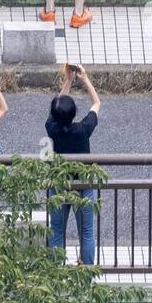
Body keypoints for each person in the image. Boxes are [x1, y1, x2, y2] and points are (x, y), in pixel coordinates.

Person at [45, 64, 102, 265]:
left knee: (57, 231)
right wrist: (85, 79)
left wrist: (67, 81)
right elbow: (96, 104)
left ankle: (55, 272)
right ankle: (86, 273)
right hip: (83, 184)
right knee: (86, 232)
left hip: (58, 185)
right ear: (75, 113)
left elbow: (56, 109)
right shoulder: (83, 129)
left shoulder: (51, 128)